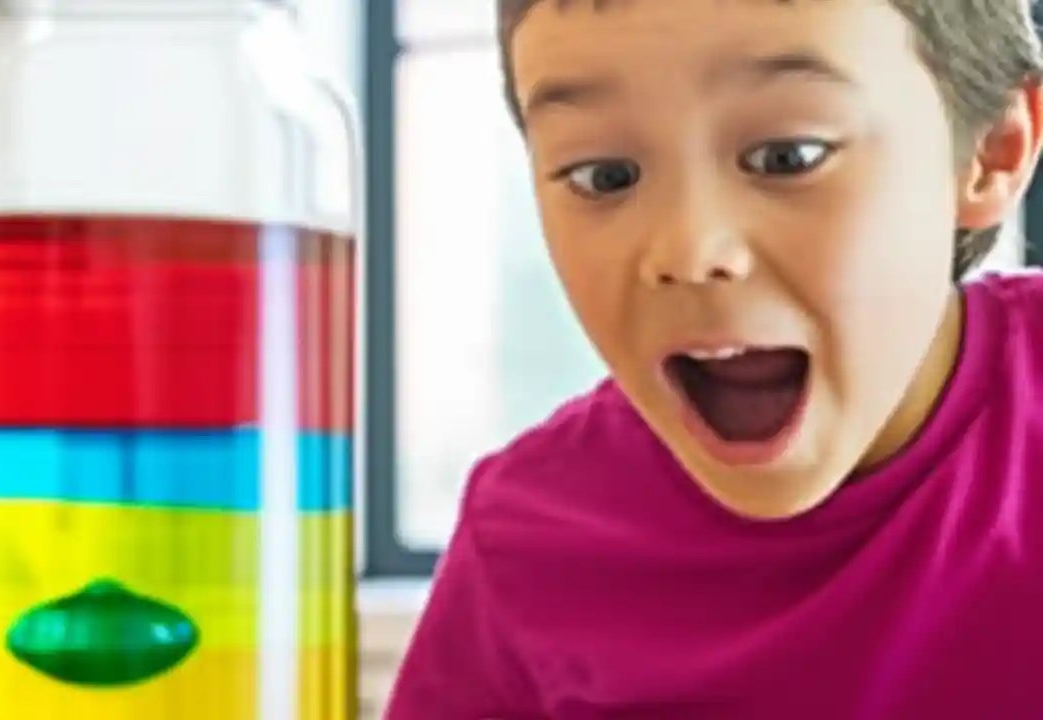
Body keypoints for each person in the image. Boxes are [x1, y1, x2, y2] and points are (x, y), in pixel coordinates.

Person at [384, 0, 1043, 717]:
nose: (690, 252)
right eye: (605, 176)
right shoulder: (521, 541)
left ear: (992, 151)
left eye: (788, 157)